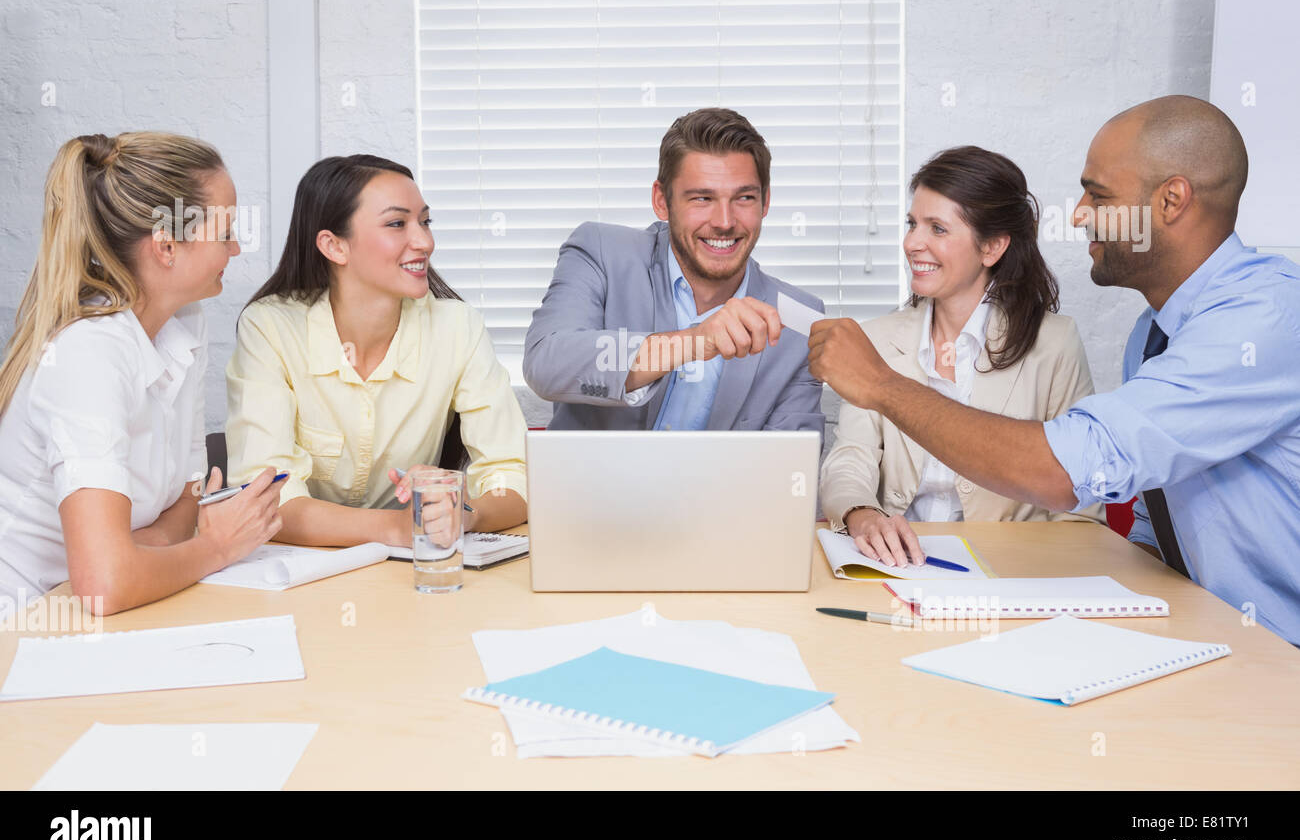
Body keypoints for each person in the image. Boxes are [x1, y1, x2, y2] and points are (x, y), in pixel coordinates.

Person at [809, 95, 1300, 643]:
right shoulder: (1155, 332)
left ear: (1171, 200)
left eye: (1099, 194)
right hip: (1210, 625)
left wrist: (879, 384)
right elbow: (1156, 507)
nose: (1077, 215)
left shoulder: (1265, 320)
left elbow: (1068, 472)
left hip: (1279, 645)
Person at [0, 132, 284, 617]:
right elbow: (104, 586)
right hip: (25, 624)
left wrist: (142, 555)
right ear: (167, 247)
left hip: (111, 606)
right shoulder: (88, 354)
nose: (235, 248)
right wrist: (216, 548)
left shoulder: (184, 322)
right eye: (224, 232)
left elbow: (189, 493)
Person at [819, 147, 1104, 567]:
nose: (912, 242)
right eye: (913, 224)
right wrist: (862, 513)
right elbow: (850, 458)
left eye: (937, 228)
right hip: (898, 568)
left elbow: (1081, 508)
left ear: (991, 248)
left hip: (1009, 574)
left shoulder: (1055, 344)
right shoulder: (875, 340)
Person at [225, 155, 528, 549]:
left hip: (409, 573)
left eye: (425, 221)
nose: (424, 241)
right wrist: (394, 527)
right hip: (299, 574)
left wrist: (463, 513)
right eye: (397, 223)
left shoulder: (458, 327)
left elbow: (512, 473)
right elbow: (266, 497)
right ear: (334, 246)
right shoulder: (270, 328)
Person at [524, 107, 824, 436]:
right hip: (590, 487)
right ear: (661, 201)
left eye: (745, 198)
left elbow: (791, 469)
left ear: (765, 203)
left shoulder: (798, 321)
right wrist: (695, 341)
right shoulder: (600, 253)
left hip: (723, 489)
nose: (724, 221)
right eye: (702, 198)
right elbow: (546, 364)